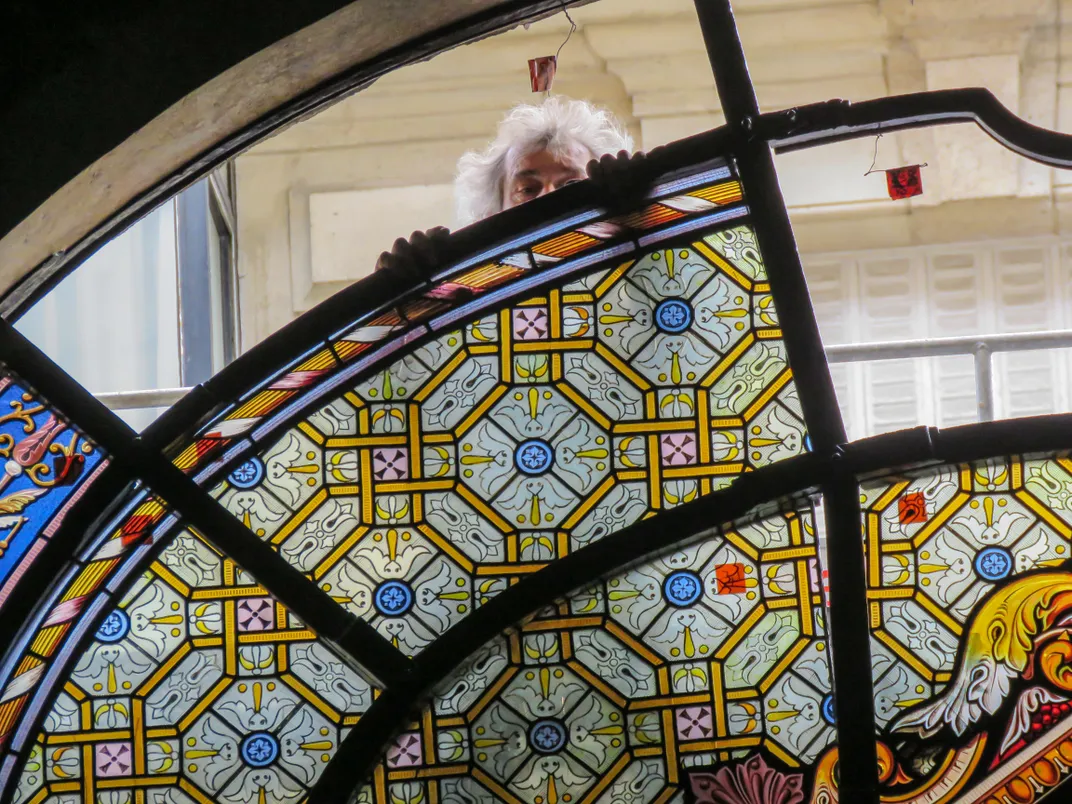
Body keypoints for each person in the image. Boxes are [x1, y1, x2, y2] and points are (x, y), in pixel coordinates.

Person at [376, 97, 637, 275]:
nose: (548, 197)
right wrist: (399, 299)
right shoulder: (465, 297)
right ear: (493, 211)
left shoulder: (635, 270)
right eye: (527, 189)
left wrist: (643, 216)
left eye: (571, 184)